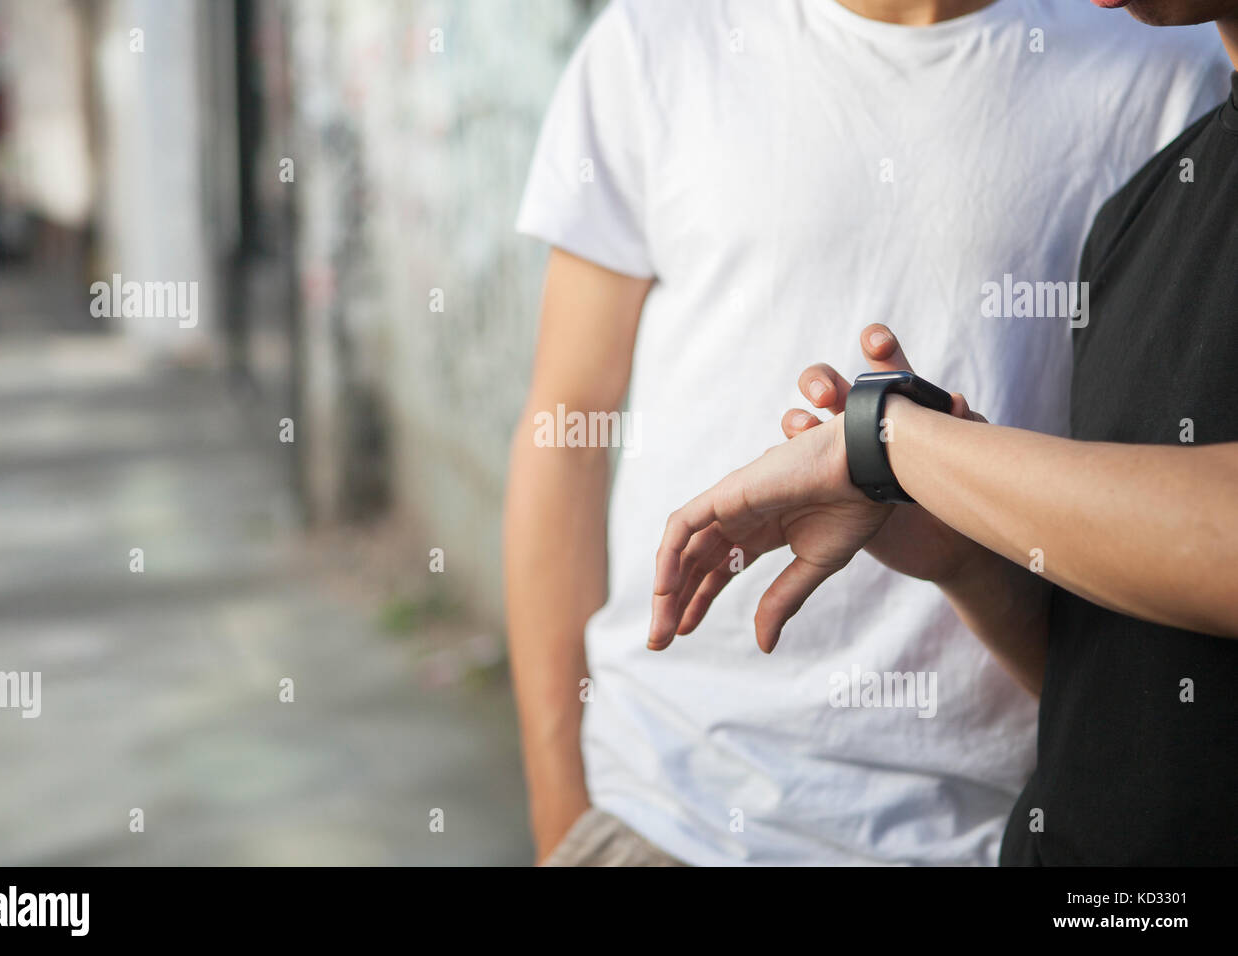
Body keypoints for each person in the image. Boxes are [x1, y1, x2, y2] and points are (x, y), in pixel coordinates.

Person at [507, 0, 1231, 865]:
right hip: (670, 810)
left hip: (994, 822)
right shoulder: (659, 39)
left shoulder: (1163, 58)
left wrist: (897, 452)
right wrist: (563, 818)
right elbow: (564, 434)